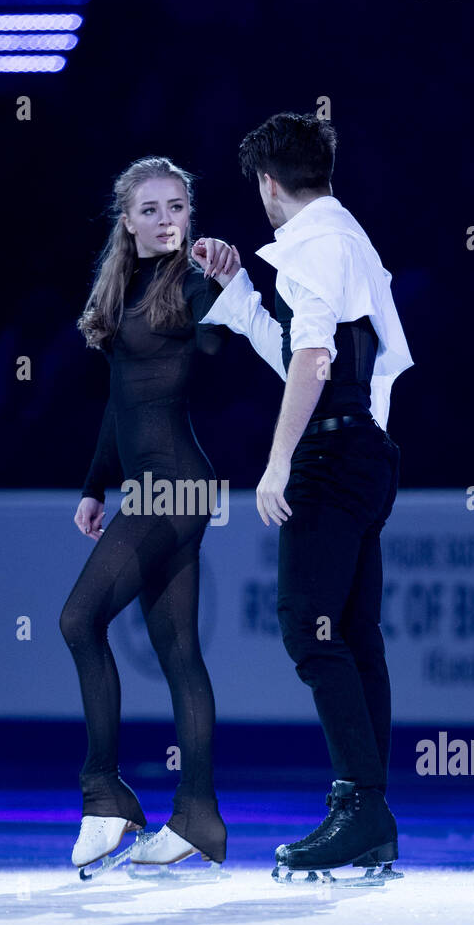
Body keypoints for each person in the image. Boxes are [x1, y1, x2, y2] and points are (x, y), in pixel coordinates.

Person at [194, 112, 414, 881]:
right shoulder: (343, 234)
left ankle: (361, 807)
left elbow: (314, 360)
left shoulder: (313, 243)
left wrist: (279, 461)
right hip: (362, 448)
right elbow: (299, 349)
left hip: (332, 451)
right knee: (353, 633)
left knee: (308, 626)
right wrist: (236, 287)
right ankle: (370, 815)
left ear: (267, 183)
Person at [60, 156, 236, 875]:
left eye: (178, 207)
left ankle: (105, 797)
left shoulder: (193, 281)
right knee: (179, 656)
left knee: (78, 620)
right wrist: (95, 484)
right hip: (153, 487)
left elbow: (218, 342)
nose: (168, 220)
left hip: (178, 487)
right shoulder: (124, 285)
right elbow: (119, 403)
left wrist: (224, 285)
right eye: (153, 209)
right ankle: (197, 818)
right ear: (127, 221)